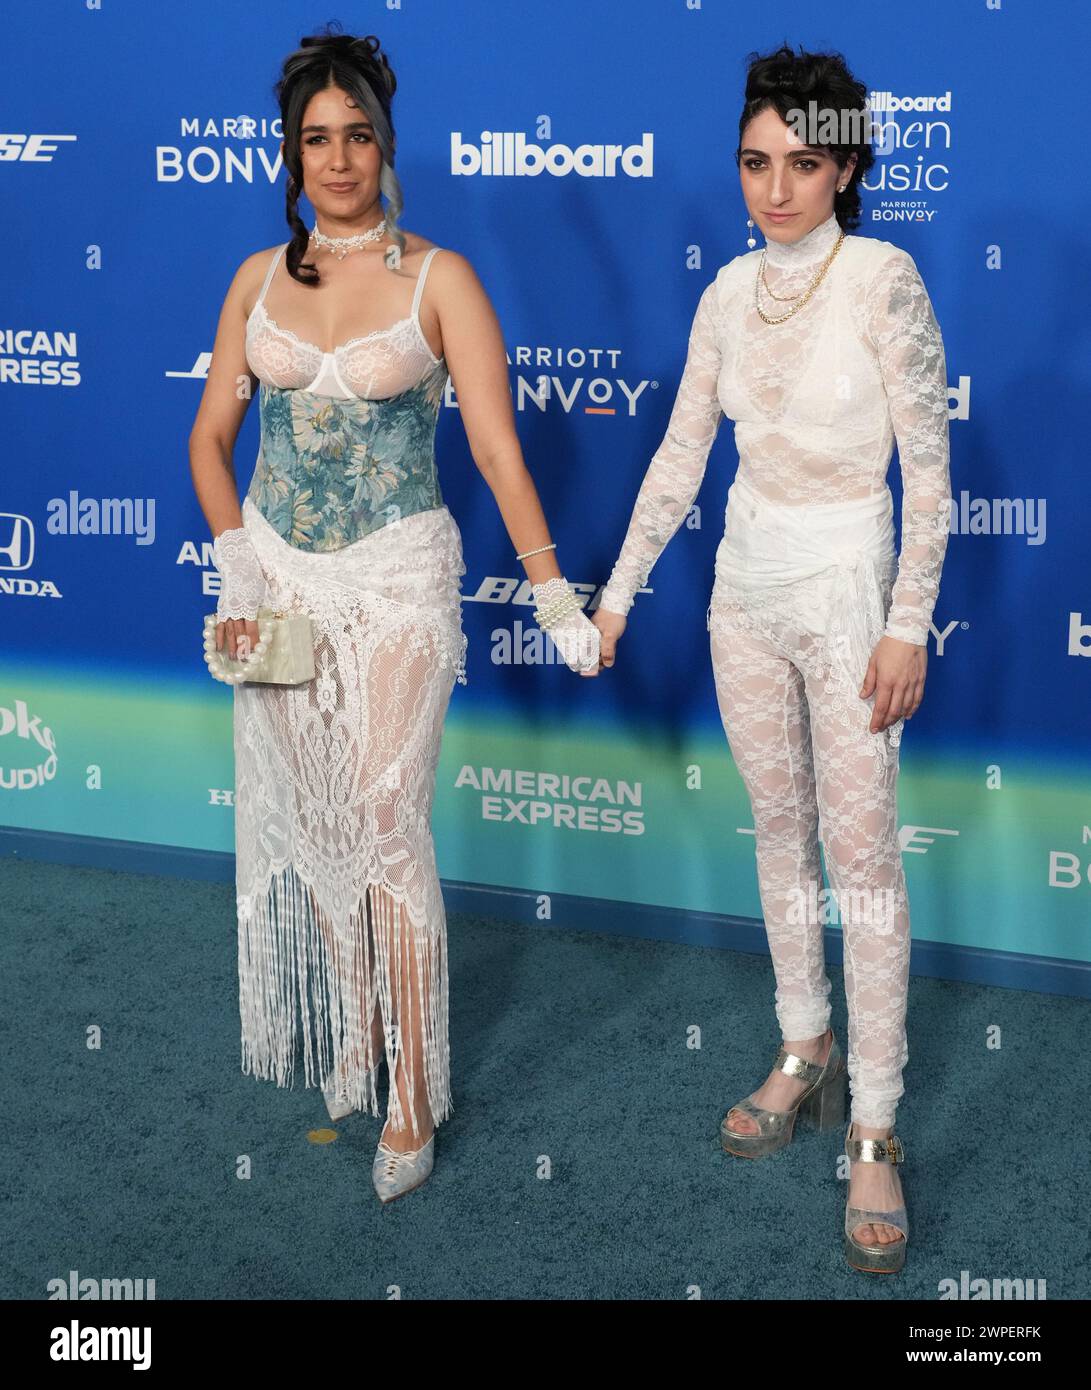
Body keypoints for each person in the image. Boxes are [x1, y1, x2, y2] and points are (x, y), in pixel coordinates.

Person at [188, 29, 598, 1204]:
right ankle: (354, 1034)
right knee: (318, 816)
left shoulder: (440, 280)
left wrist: (553, 591)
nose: (336, 158)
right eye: (315, 139)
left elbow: (497, 449)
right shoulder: (254, 283)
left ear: (386, 144)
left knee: (382, 814)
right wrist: (234, 562)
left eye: (355, 135)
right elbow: (210, 440)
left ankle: (418, 1083)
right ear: (289, 152)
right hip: (275, 577)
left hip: (399, 576)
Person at [592, 44, 951, 1274]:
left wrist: (906, 619)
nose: (775, 189)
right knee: (780, 829)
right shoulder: (725, 295)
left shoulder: (883, 277)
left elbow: (930, 470)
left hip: (850, 591)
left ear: (845, 165)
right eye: (755, 163)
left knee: (861, 857)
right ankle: (805, 1044)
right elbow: (682, 455)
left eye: (802, 164)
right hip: (739, 592)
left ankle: (876, 1124)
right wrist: (620, 591)